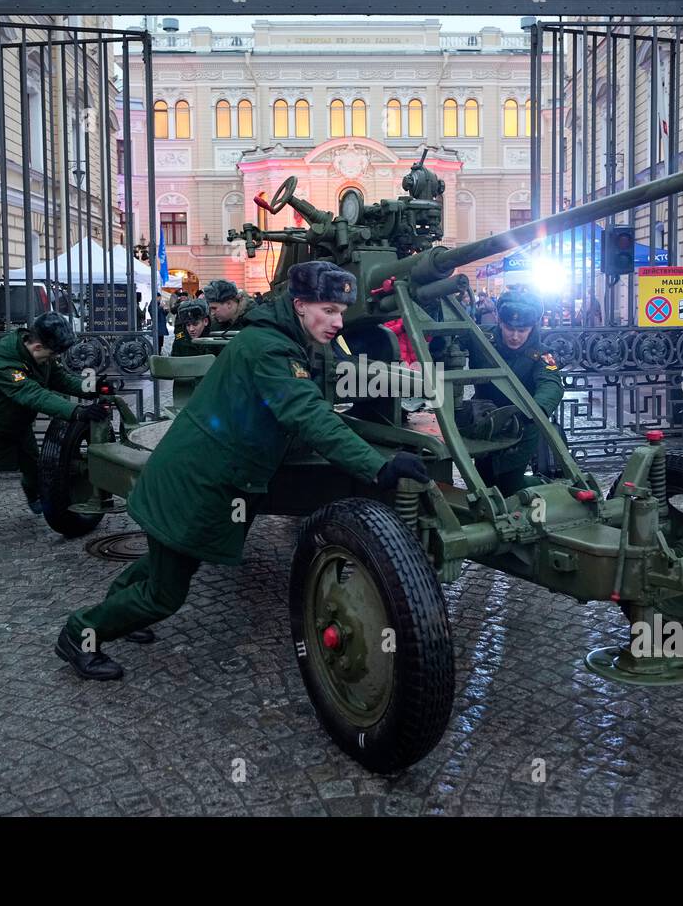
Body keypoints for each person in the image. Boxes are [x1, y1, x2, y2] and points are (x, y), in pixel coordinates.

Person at [54, 261, 431, 680]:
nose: (338, 322)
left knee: (169, 560)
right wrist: (377, 466)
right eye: (328, 310)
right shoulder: (271, 348)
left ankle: (121, 613)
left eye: (341, 312)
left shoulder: (278, 338)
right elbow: (306, 413)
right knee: (165, 594)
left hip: (196, 473)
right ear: (300, 305)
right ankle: (82, 632)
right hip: (196, 481)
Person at [0, 313, 109, 532]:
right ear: (37, 346)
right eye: (51, 354)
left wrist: (93, 387)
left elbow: (60, 379)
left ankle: (34, 497)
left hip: (18, 429)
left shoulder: (41, 357)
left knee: (35, 470)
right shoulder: (4, 366)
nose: (53, 359)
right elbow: (34, 394)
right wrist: (77, 412)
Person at [461, 289, 565, 497]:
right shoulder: (481, 337)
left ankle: (547, 487)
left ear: (533, 327)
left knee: (510, 485)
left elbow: (552, 384)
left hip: (522, 425)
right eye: (509, 328)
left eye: (522, 330)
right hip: (484, 423)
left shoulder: (542, 354)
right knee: (485, 483)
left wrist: (532, 412)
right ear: (500, 321)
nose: (515, 336)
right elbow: (447, 343)